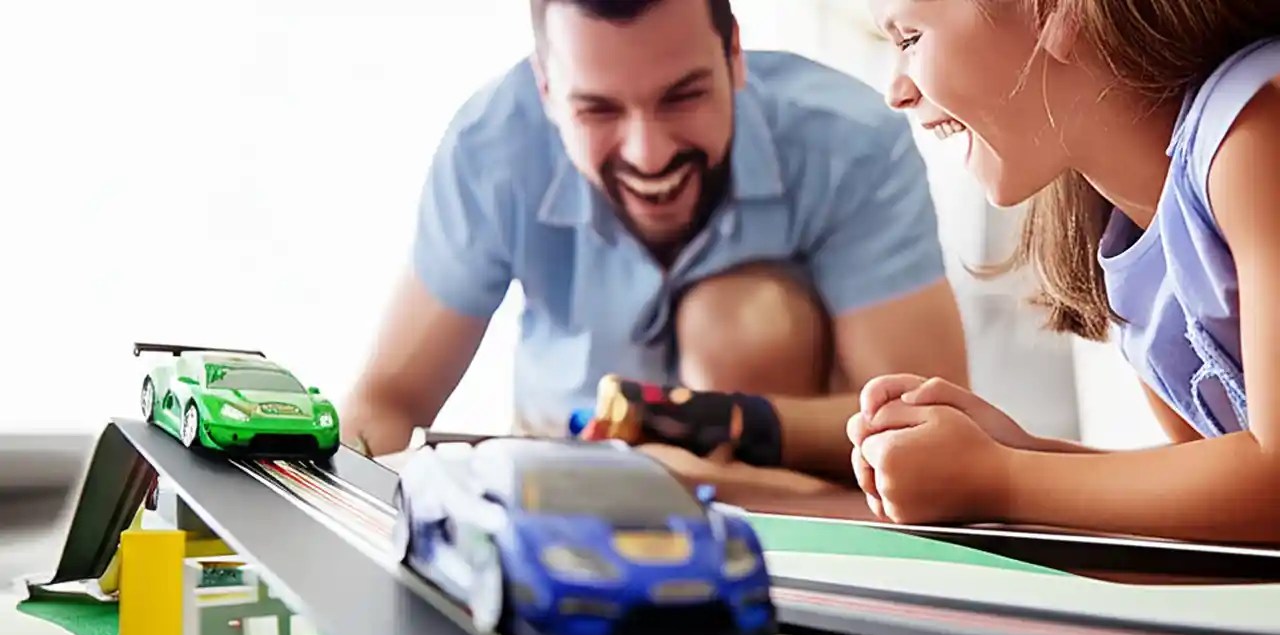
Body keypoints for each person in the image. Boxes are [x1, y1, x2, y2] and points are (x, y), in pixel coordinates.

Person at [343, 0, 968, 482]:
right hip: (554, 478)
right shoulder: (491, 147)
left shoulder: (850, 141)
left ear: (735, 56)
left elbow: (927, 428)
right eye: (598, 110)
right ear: (546, 89)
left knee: (741, 319)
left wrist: (708, 425)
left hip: (791, 497)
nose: (649, 155)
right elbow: (386, 407)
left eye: (683, 96)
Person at [850, 0, 1280, 543]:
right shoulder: (1121, 228)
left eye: (910, 39)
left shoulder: (1259, 129)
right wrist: (1015, 452)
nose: (897, 91)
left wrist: (999, 478)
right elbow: (1214, 486)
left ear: (1053, 10)